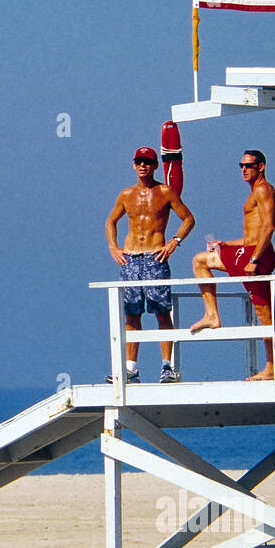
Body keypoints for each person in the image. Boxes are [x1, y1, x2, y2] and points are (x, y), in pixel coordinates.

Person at [106, 146, 195, 383]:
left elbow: (188, 218)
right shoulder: (126, 194)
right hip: (131, 258)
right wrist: (113, 247)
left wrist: (174, 242)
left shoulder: (165, 192)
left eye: (148, 161)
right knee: (132, 315)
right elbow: (111, 221)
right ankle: (131, 369)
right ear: (134, 165)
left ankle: (167, 366)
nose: (143, 165)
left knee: (161, 312)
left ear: (155, 165)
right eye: (139, 161)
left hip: (155, 258)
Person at [190, 149, 275, 381]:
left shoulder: (263, 189)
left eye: (248, 165)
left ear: (260, 167)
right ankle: (211, 314)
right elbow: (252, 235)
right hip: (249, 251)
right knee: (200, 260)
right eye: (241, 165)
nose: (243, 169)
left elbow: (268, 228)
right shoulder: (255, 192)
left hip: (256, 256)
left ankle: (271, 367)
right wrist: (226, 244)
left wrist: (254, 260)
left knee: (264, 314)